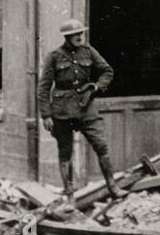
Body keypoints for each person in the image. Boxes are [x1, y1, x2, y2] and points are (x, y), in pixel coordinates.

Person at [37, 19, 122, 202]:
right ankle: (69, 194)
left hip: (86, 107)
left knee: (101, 146)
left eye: (81, 33)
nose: (79, 37)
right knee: (65, 151)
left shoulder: (89, 51)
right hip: (62, 111)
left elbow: (107, 71)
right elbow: (43, 88)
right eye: (75, 35)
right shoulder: (54, 56)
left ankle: (112, 186)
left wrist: (96, 87)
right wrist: (46, 115)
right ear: (66, 37)